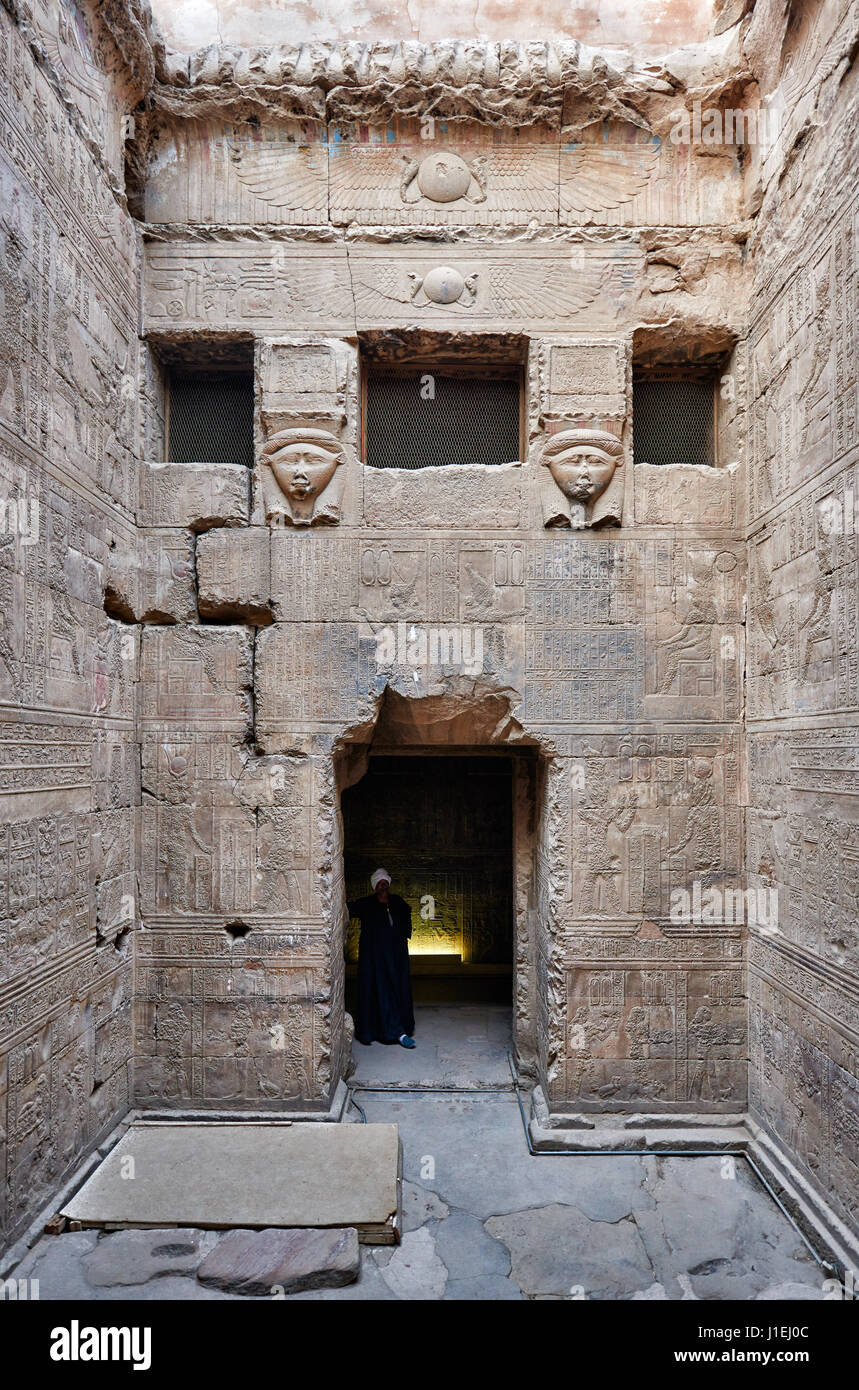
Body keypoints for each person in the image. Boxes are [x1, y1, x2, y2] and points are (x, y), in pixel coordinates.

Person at [347, 869, 416, 1048]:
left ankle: (399, 1031)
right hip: (375, 960)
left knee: (396, 990)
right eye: (379, 883)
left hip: (396, 958)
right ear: (375, 886)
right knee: (378, 992)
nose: (383, 885)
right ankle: (382, 1032)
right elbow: (347, 908)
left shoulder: (398, 902)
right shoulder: (367, 903)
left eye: (385, 882)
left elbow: (406, 920)